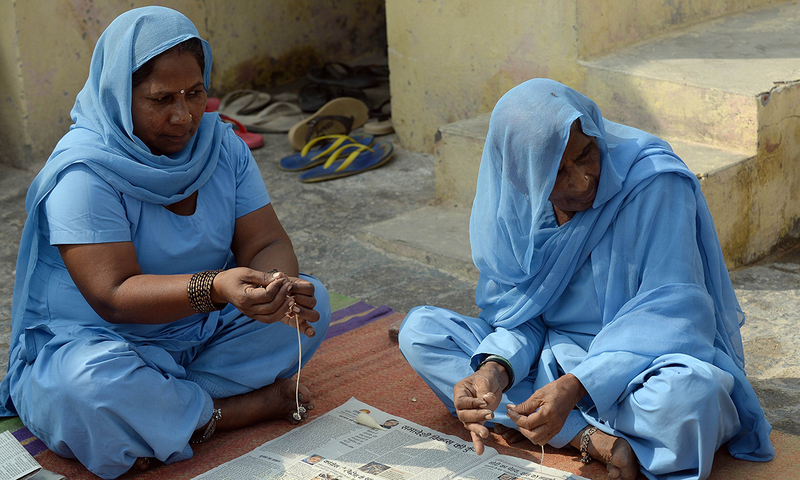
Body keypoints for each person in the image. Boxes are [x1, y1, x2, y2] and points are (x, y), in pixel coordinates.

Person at [0, 7, 331, 479]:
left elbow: (265, 241)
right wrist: (217, 287)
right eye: (160, 99)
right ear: (120, 95)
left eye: (195, 93)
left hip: (199, 332)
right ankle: (233, 410)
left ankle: (161, 411)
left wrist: (277, 287)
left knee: (311, 306)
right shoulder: (85, 174)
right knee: (85, 389)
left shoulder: (222, 147)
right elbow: (113, 296)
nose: (183, 115)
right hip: (100, 344)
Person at [398, 79, 774, 480]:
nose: (580, 181)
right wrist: (496, 371)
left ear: (596, 135)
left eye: (585, 155)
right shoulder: (522, 209)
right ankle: (591, 438)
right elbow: (524, 316)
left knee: (691, 397)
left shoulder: (654, 183)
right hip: (549, 358)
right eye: (557, 172)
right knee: (420, 332)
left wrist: (579, 384)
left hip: (640, 364)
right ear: (523, 178)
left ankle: (551, 421)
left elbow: (675, 308)